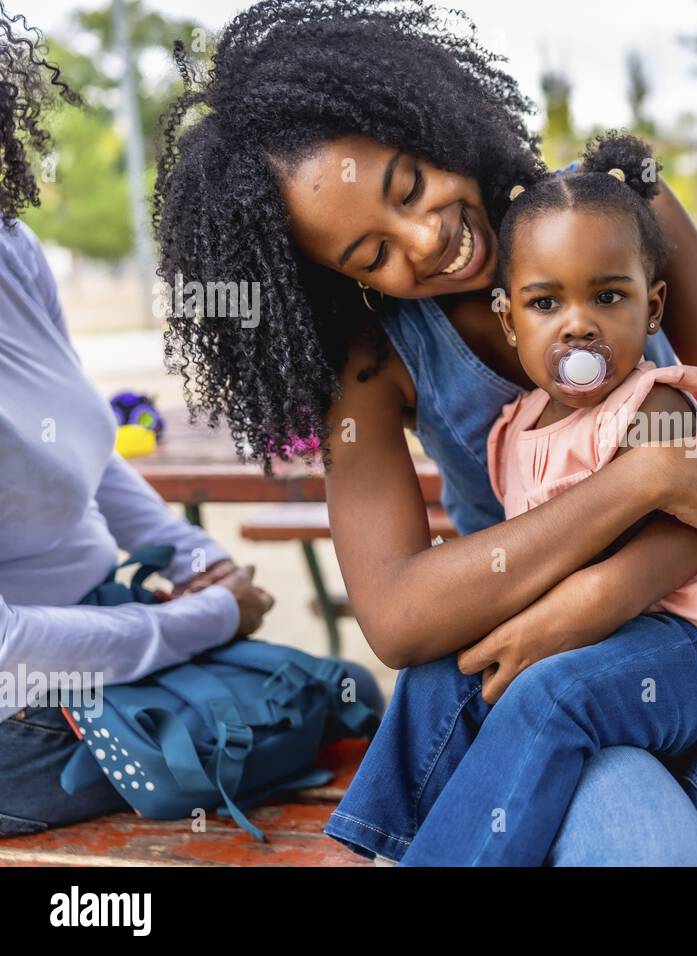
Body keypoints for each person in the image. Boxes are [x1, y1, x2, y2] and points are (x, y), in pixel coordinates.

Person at [153, 0, 697, 865]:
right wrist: (638, 481)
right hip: (535, 674)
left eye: (410, 186)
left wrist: (600, 597)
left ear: (425, 114)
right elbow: (399, 616)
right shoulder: (375, 361)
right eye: (371, 257)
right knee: (646, 855)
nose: (426, 237)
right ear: (336, 282)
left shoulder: (617, 215)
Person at [333, 134, 697, 865]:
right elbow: (405, 613)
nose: (578, 323)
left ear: (653, 309)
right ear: (512, 320)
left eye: (607, 297)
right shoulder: (513, 426)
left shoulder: (656, 402)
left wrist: (634, 509)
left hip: (684, 638)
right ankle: (376, 845)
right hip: (585, 639)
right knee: (437, 678)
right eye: (548, 302)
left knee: (550, 697)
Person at [0, 4, 381, 837]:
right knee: (308, 731)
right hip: (19, 713)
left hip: (109, 633)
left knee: (348, 699)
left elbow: (91, 456)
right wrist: (200, 619)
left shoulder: (12, 253)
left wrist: (202, 562)